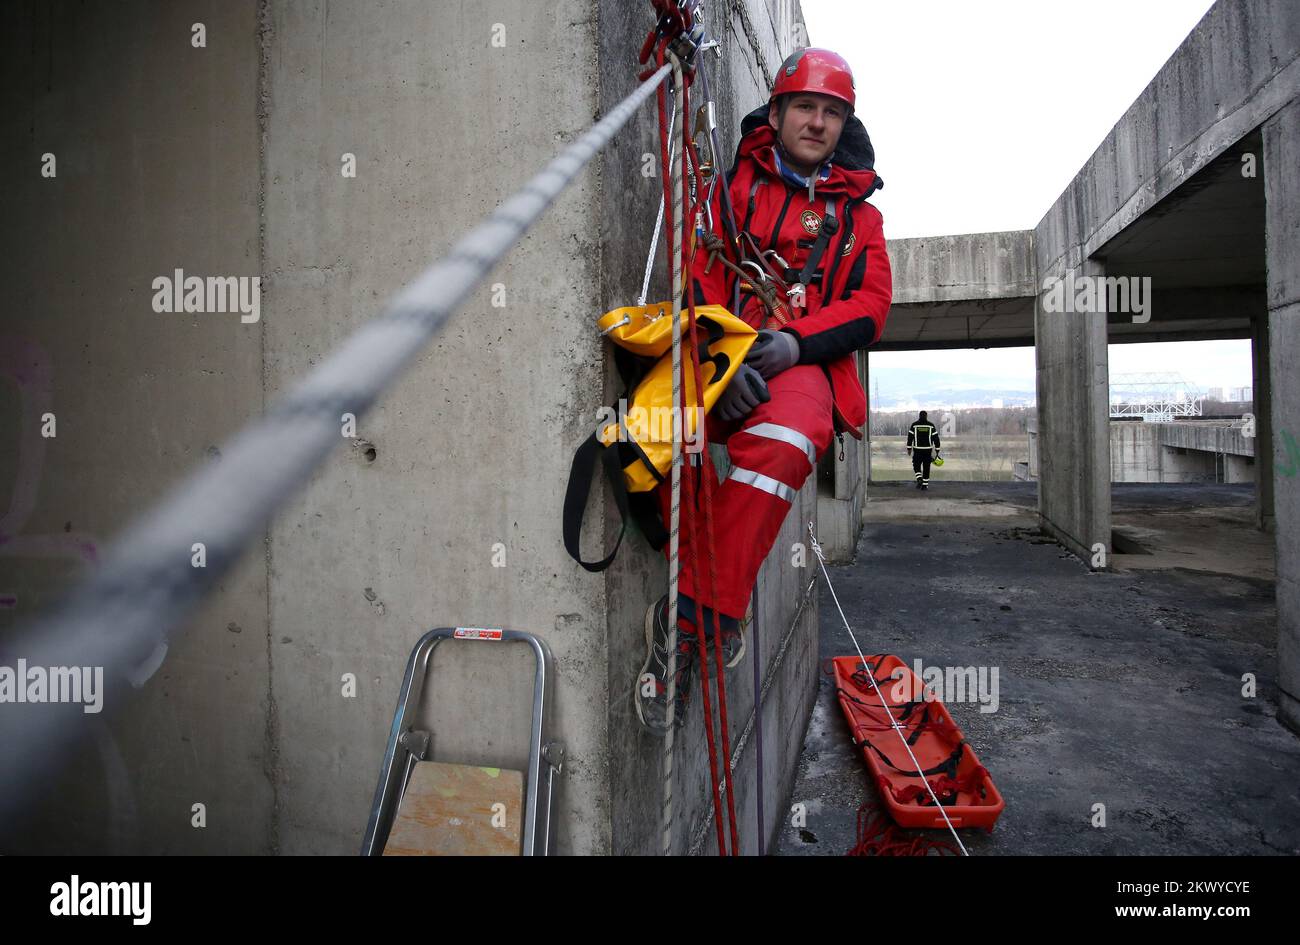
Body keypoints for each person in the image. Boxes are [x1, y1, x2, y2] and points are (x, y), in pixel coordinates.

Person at [636, 48, 892, 735]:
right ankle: (714, 598)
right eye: (805, 107)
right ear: (775, 113)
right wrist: (724, 366)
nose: (818, 122)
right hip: (721, 350)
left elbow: (872, 305)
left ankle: (694, 617)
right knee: (649, 439)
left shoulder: (858, 217)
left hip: (800, 362)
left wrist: (797, 345)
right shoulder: (727, 192)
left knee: (784, 441)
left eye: (832, 113)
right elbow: (699, 277)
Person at [906, 410, 941, 490]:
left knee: (916, 465)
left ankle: (919, 478)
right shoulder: (931, 426)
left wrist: (909, 448)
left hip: (917, 450)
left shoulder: (914, 425)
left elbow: (910, 437)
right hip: (927, 450)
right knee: (926, 467)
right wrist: (937, 449)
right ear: (926, 416)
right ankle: (925, 485)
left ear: (919, 416)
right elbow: (936, 438)